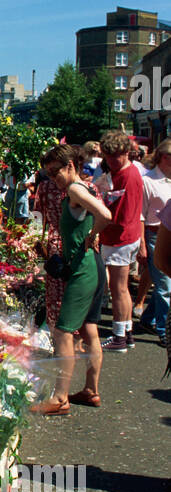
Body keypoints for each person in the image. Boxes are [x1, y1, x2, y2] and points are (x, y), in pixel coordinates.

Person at [31, 145, 111, 415]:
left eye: (56, 172)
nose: (53, 179)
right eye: (48, 174)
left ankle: (60, 397)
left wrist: (92, 234)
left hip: (81, 268)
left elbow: (106, 215)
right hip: (91, 265)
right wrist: (92, 235)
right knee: (89, 328)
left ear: (70, 166)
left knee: (64, 332)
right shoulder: (84, 188)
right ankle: (90, 390)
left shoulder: (76, 190)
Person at [98, 130, 144, 351]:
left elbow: (119, 216)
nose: (110, 161)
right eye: (107, 156)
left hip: (119, 238)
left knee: (117, 289)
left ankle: (118, 337)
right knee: (122, 288)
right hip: (124, 237)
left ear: (126, 153)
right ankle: (126, 332)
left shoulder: (128, 176)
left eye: (114, 156)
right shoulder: (125, 172)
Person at [138, 139, 171, 338]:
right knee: (165, 286)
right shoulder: (147, 181)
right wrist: (141, 243)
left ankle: (148, 318)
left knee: (162, 284)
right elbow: (140, 215)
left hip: (167, 235)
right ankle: (164, 331)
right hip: (154, 235)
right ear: (165, 158)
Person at [35, 169, 65, 329]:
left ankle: (72, 338)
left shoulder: (84, 188)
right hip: (56, 246)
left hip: (73, 247)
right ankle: (58, 333)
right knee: (55, 291)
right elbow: (38, 214)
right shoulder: (45, 187)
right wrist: (34, 237)